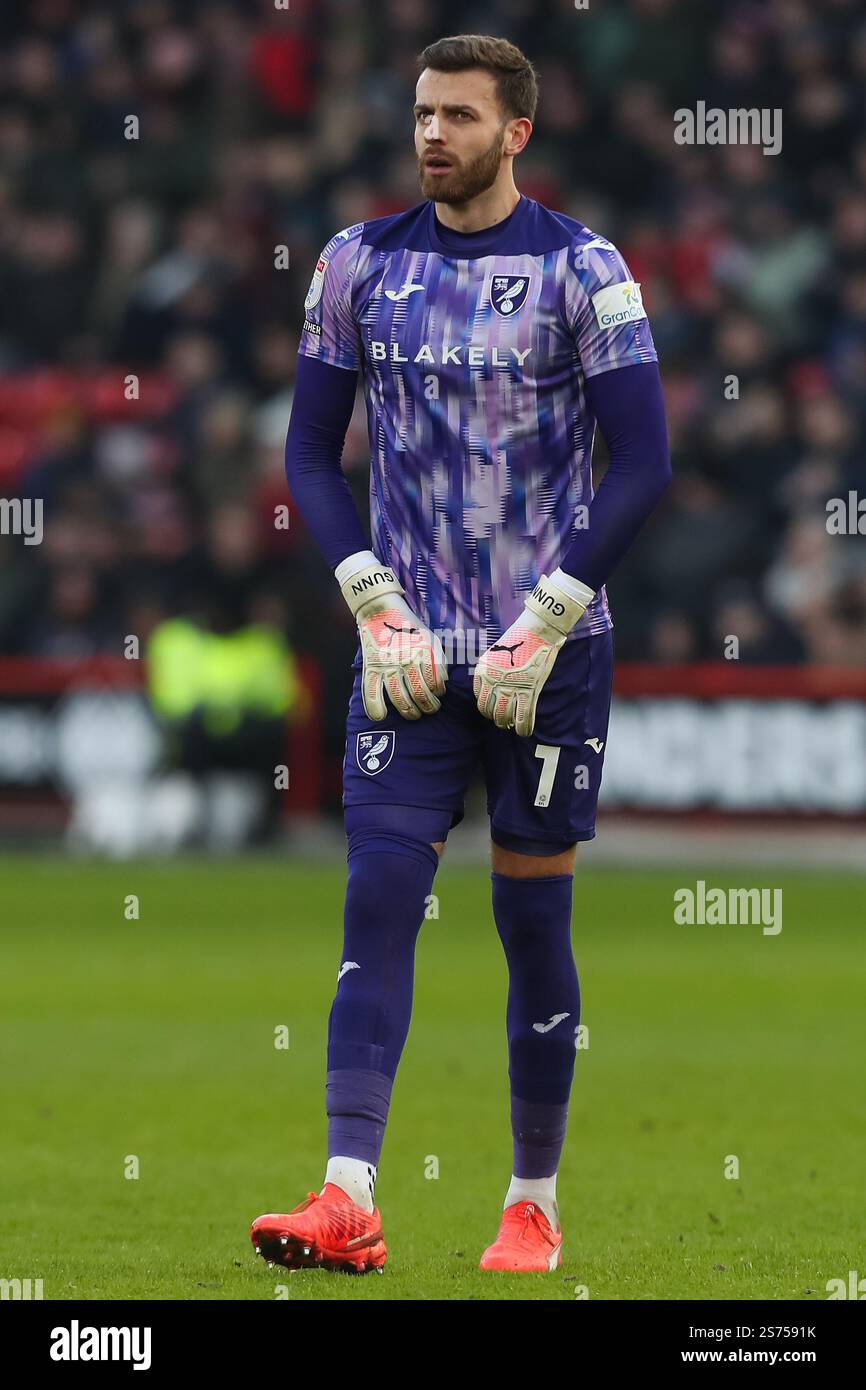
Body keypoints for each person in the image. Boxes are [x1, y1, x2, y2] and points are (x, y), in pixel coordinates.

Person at [251, 32, 670, 1275]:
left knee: (529, 926)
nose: (432, 134)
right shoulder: (356, 263)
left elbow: (643, 461)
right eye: (422, 114)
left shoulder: (583, 270)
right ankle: (344, 1192)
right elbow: (306, 455)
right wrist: (370, 602)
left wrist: (544, 618)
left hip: (547, 657)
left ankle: (530, 1200)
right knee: (379, 892)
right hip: (410, 657)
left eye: (459, 117)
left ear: (515, 132)